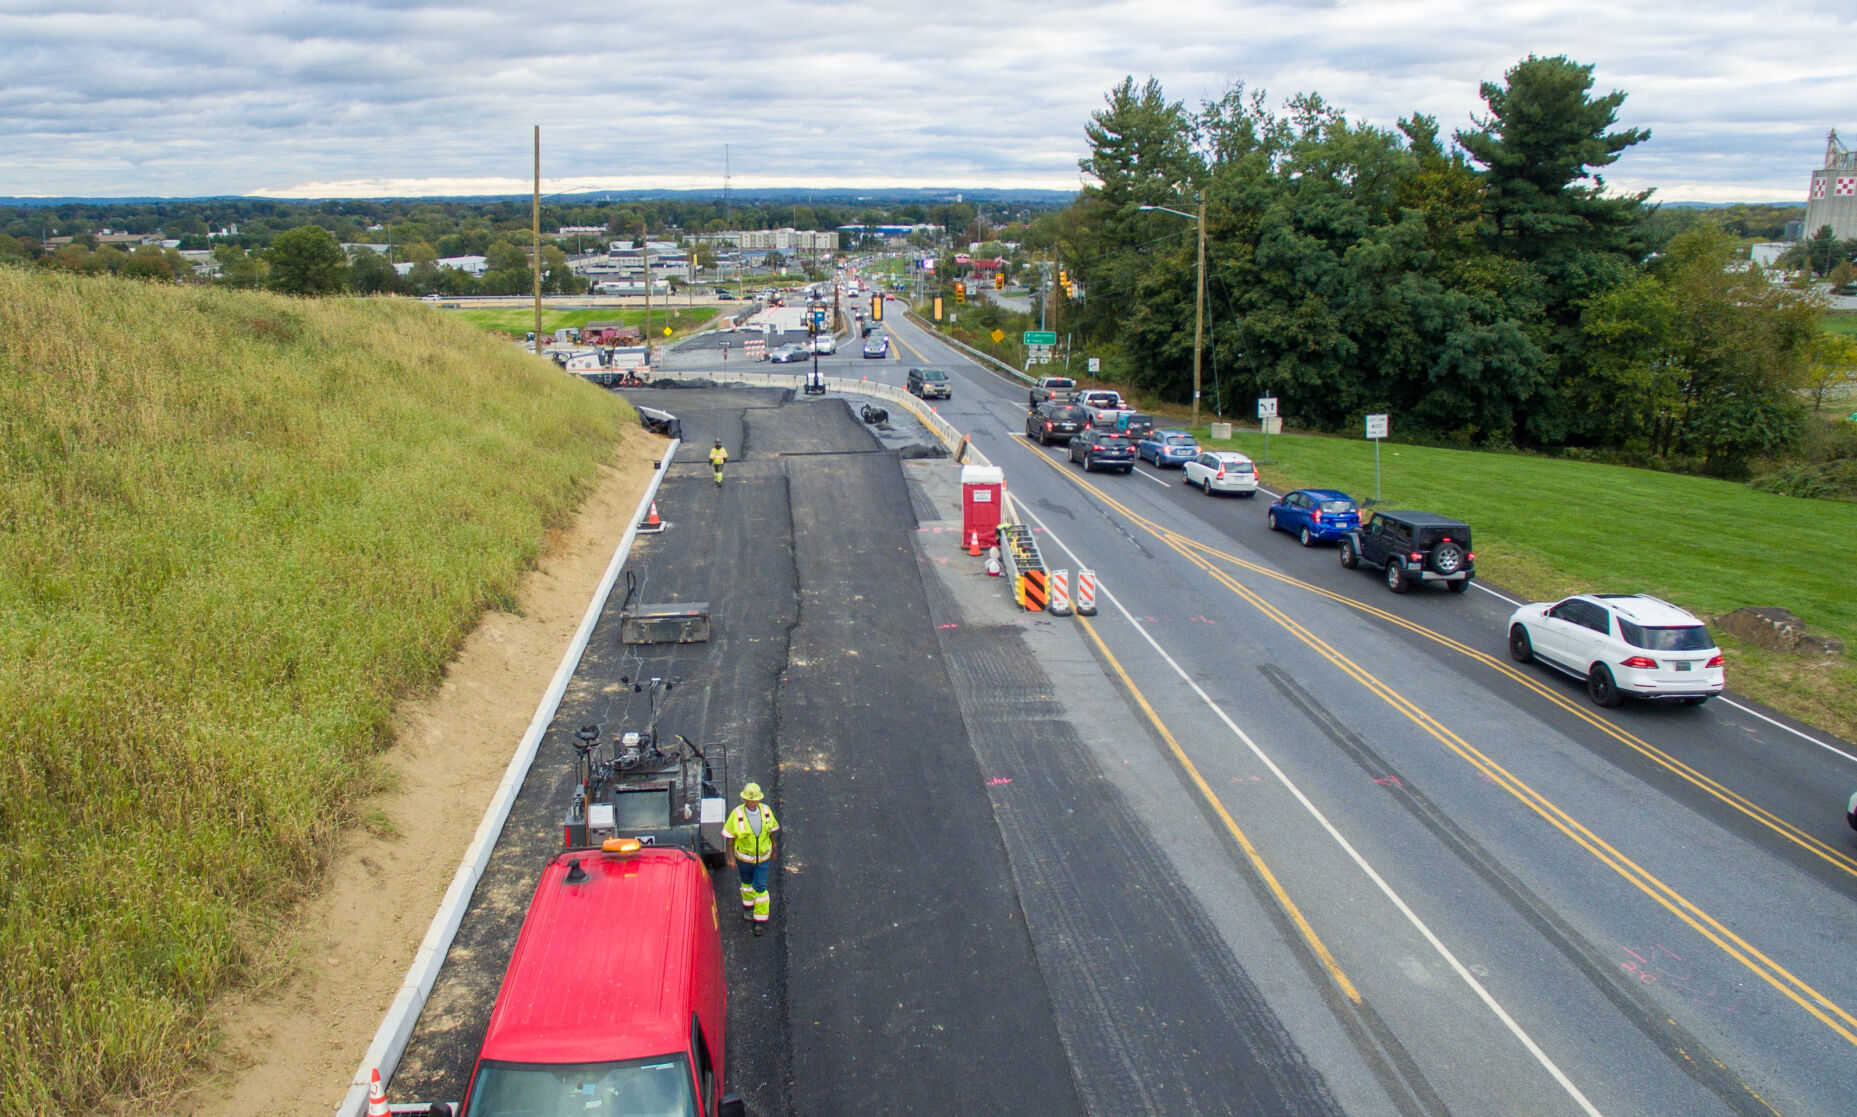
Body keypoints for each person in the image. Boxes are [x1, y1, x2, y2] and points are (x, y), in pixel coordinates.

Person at [722, 782, 779, 935]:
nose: (753, 803)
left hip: (762, 859)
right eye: (750, 800)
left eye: (755, 800)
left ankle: (759, 921)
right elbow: (730, 837)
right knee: (747, 884)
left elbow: (771, 831)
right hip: (744, 860)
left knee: (760, 886)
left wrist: (774, 846)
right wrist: (730, 857)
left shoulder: (766, 811)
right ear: (745, 800)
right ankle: (748, 907)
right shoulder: (737, 814)